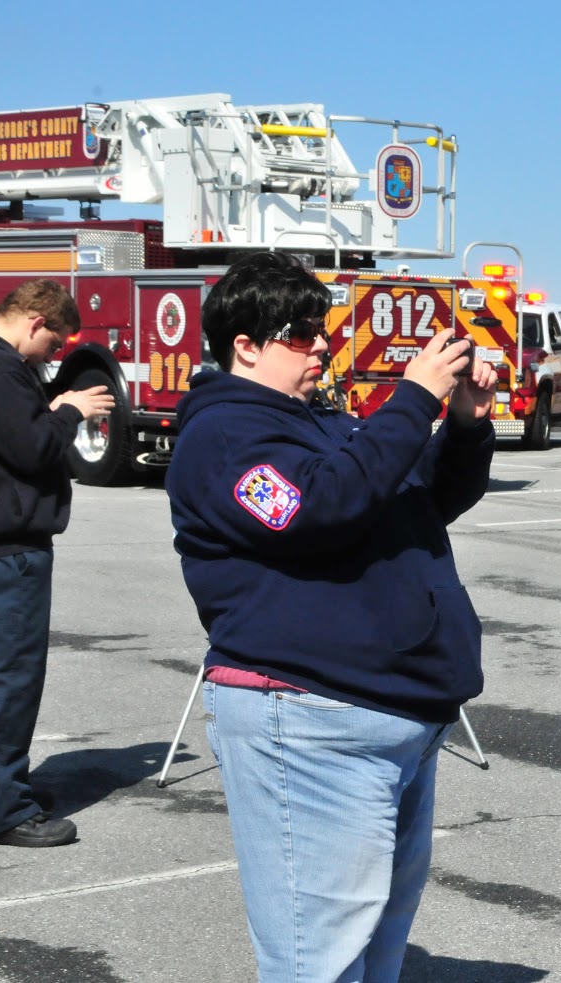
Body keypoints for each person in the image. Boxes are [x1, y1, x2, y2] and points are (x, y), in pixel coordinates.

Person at [166, 252, 497, 983]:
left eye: (322, 329)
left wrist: (465, 427)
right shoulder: (223, 435)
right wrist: (414, 398)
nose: (319, 344)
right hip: (310, 719)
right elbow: (317, 508)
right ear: (244, 346)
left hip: (389, 712)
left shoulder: (317, 420)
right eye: (298, 333)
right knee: (319, 958)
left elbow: (414, 498)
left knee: (376, 943)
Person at [0, 279, 112, 849]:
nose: (51, 355)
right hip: (6, 553)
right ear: (34, 321)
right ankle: (2, 810)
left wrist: (44, 410)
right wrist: (69, 411)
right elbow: (32, 449)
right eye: (53, 342)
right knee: (4, 684)